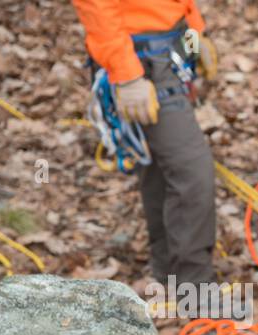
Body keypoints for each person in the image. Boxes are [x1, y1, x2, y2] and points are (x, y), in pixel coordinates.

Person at [70, 0, 219, 294]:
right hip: (140, 61)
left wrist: (193, 31)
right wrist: (127, 75)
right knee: (193, 173)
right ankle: (197, 290)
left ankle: (169, 276)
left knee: (162, 172)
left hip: (167, 50)